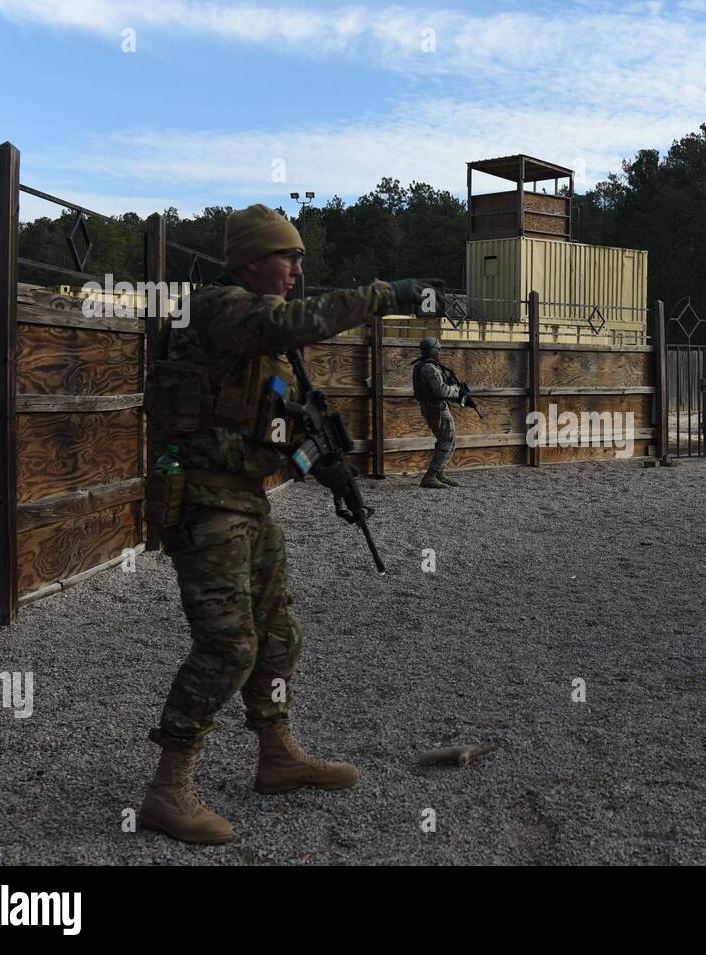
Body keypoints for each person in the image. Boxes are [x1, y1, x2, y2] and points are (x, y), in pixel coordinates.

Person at [141, 203, 440, 843]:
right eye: (288, 256)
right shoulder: (223, 307)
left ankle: (275, 754)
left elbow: (273, 428)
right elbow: (300, 321)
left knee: (279, 634)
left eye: (302, 258)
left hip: (248, 499)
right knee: (228, 646)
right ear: (250, 260)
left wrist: (321, 465)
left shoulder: (263, 346)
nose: (297, 271)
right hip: (204, 502)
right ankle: (168, 786)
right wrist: (389, 294)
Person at [410, 336, 467, 489]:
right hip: (437, 409)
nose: (440, 353)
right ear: (433, 350)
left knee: (448, 440)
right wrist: (457, 391)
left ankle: (440, 473)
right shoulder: (430, 368)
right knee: (447, 440)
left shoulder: (423, 366)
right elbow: (440, 391)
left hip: (432, 407)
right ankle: (431, 475)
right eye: (438, 350)